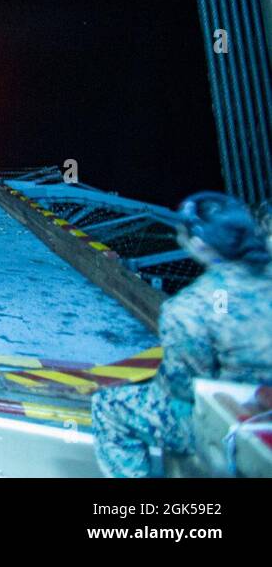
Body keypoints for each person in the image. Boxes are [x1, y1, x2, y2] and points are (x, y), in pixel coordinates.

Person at [92, 192, 272, 477]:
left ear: (199, 243)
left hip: (236, 417)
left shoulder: (189, 307)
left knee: (109, 405)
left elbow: (182, 388)